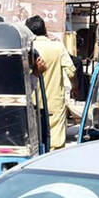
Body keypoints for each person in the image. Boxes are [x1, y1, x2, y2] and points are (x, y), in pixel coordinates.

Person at [26, 15, 76, 150]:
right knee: (56, 143)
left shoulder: (25, 49)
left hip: (32, 103)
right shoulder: (57, 47)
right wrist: (75, 88)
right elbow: (71, 72)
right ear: (45, 29)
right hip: (54, 103)